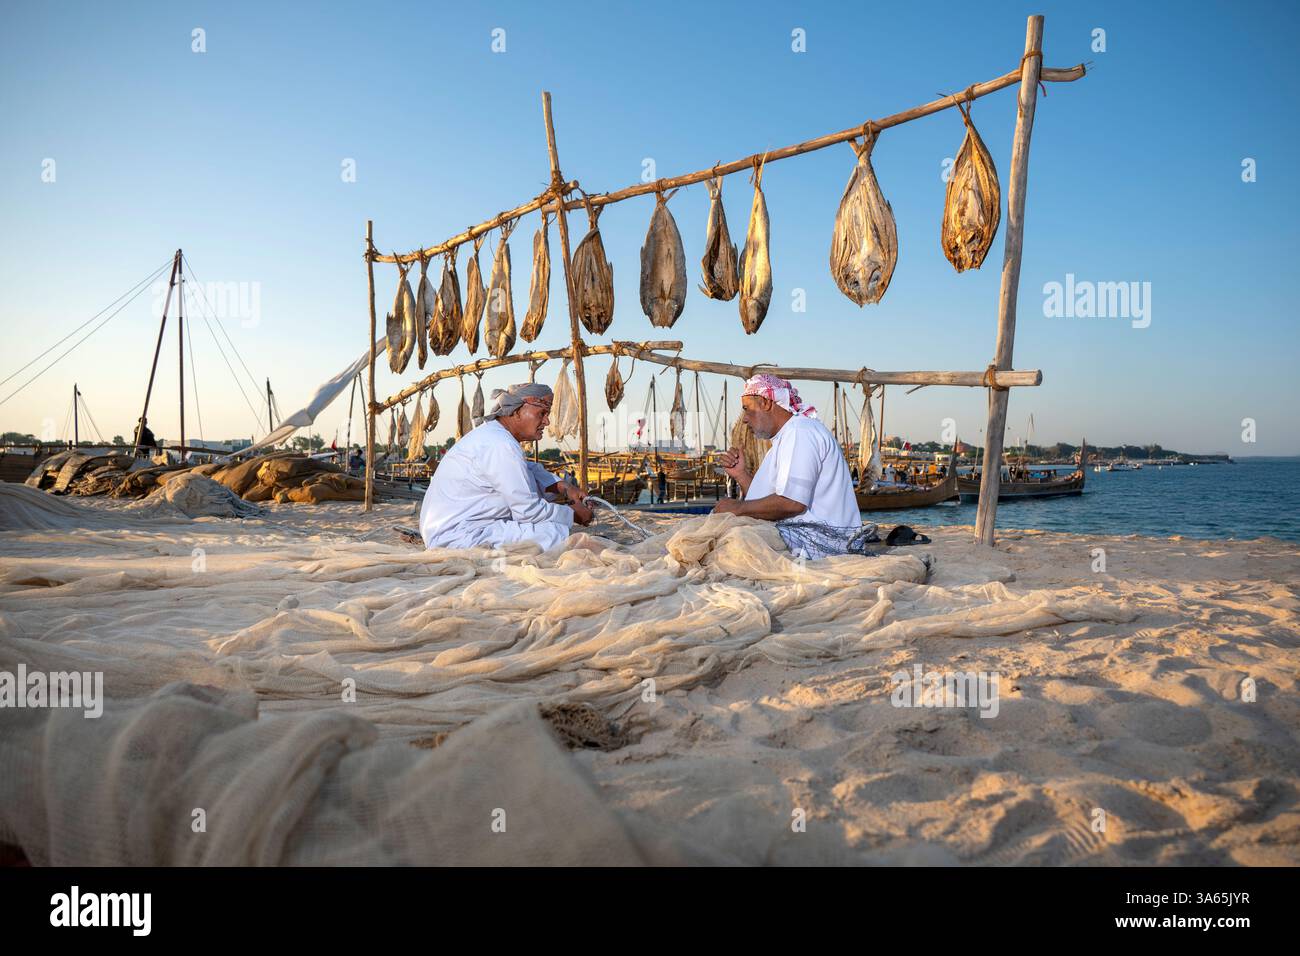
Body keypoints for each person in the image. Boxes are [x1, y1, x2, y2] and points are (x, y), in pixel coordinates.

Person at [418, 382, 592, 551]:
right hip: (456, 536)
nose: (547, 422)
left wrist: (563, 486)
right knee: (553, 533)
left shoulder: (494, 436)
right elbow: (528, 512)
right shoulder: (501, 444)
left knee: (548, 521)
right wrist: (572, 514)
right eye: (542, 413)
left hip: (448, 530)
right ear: (516, 412)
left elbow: (527, 469)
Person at [713, 374, 857, 526]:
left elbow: (792, 503)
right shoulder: (785, 438)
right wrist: (741, 475)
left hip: (822, 541)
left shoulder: (800, 431)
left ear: (766, 403)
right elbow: (766, 505)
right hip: (804, 537)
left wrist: (738, 508)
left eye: (747, 409)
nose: (744, 419)